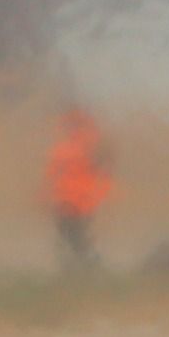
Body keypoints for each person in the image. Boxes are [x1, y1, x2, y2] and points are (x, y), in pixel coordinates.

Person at [44, 104, 115, 271]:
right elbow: (52, 176)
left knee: (74, 236)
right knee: (71, 235)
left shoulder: (84, 148)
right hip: (69, 201)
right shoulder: (66, 149)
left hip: (78, 202)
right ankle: (80, 265)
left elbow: (103, 171)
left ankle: (84, 264)